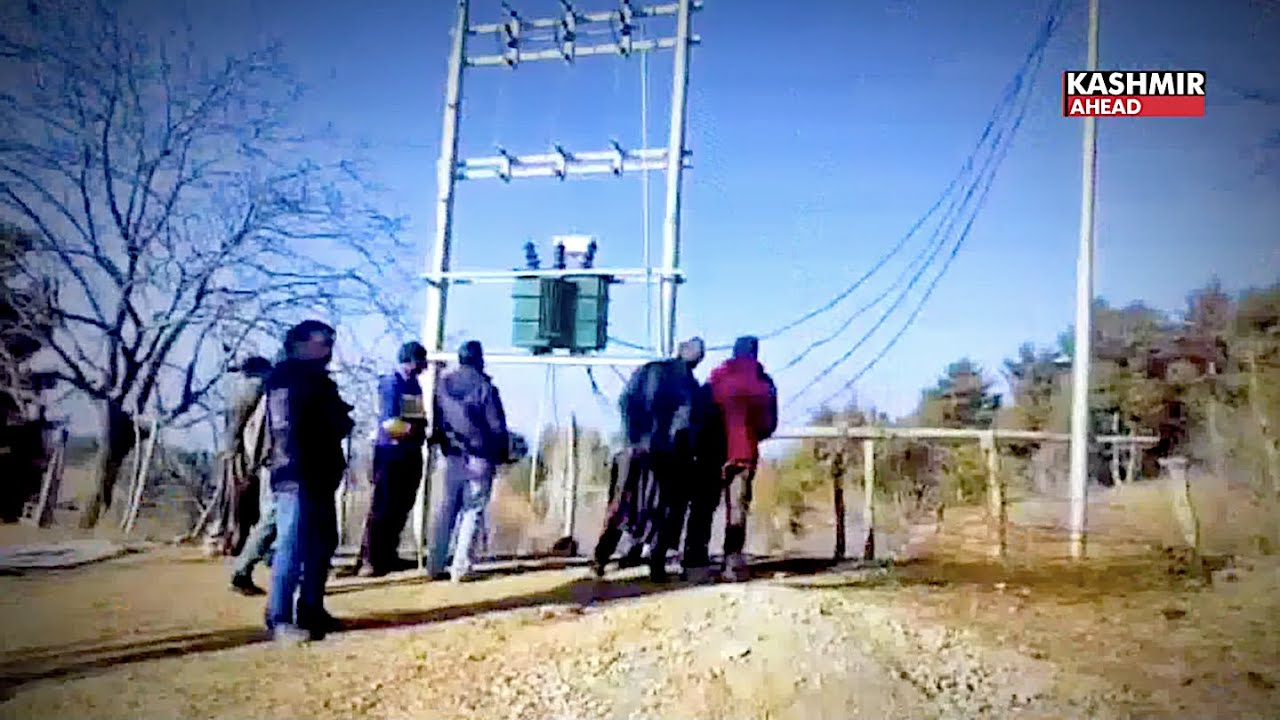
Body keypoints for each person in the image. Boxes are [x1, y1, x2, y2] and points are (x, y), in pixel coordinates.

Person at [263, 320, 354, 643]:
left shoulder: (320, 381)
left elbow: (335, 421)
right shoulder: (286, 378)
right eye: (322, 342)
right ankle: (279, 617)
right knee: (291, 545)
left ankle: (312, 609)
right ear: (300, 343)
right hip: (296, 474)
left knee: (322, 543)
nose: (328, 349)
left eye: (331, 342)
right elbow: (285, 429)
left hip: (321, 473)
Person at [591, 337, 705, 582]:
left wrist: (633, 435)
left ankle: (601, 558)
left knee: (621, 505)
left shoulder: (649, 370)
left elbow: (625, 401)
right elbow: (687, 424)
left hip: (632, 448)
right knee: (662, 509)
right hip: (665, 454)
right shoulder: (689, 384)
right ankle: (655, 565)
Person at [426, 340, 510, 583]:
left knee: (447, 509)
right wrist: (502, 454)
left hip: (453, 455)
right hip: (480, 456)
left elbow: (438, 421)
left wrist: (443, 443)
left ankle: (435, 564)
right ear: (479, 359)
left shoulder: (443, 385)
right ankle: (460, 567)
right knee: (472, 510)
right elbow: (496, 426)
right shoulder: (485, 388)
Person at [705, 336, 778, 582]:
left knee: (705, 506)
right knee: (737, 508)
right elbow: (769, 423)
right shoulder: (764, 383)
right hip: (744, 452)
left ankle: (695, 561)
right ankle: (732, 563)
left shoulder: (717, 378)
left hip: (714, 451)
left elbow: (702, 410)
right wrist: (753, 434)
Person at [356, 341, 430, 577]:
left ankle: (388, 554)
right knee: (383, 506)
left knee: (401, 506)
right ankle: (370, 558)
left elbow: (417, 417)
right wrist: (414, 431)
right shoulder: (391, 383)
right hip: (391, 452)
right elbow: (390, 423)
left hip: (409, 452)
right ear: (411, 361)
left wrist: (421, 429)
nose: (424, 367)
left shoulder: (413, 384)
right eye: (421, 361)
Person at [207, 356, 273, 557]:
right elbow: (238, 421)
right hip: (244, 451)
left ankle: (235, 539)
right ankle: (235, 540)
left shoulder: (248, 387)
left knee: (237, 497)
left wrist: (232, 448)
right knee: (240, 497)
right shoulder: (255, 387)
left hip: (241, 450)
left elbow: (237, 421)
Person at [228, 356, 277, 595]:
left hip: (266, 460)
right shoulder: (259, 387)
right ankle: (243, 570)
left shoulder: (261, 388)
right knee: (273, 516)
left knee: (270, 516)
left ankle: (266, 559)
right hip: (274, 461)